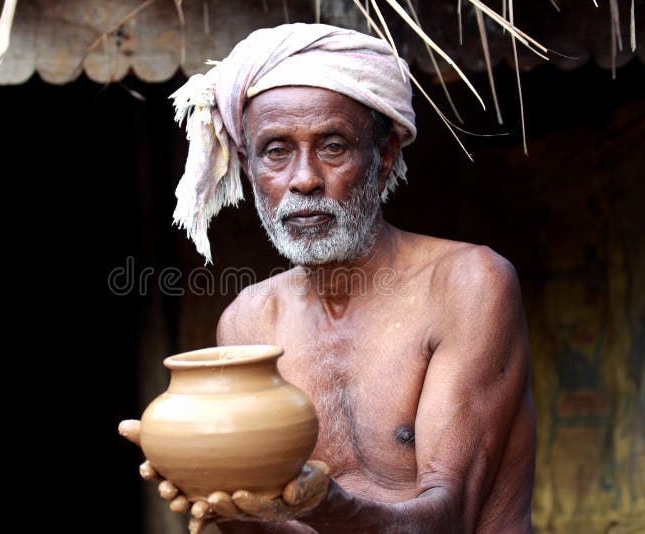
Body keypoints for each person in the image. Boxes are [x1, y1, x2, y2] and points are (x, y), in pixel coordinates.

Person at [120, 22, 535, 533]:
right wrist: (224, 502)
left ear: (383, 158)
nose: (304, 178)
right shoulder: (249, 323)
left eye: (333, 146)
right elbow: (277, 523)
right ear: (249, 170)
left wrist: (321, 504)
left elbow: (448, 518)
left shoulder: (468, 285)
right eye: (276, 151)